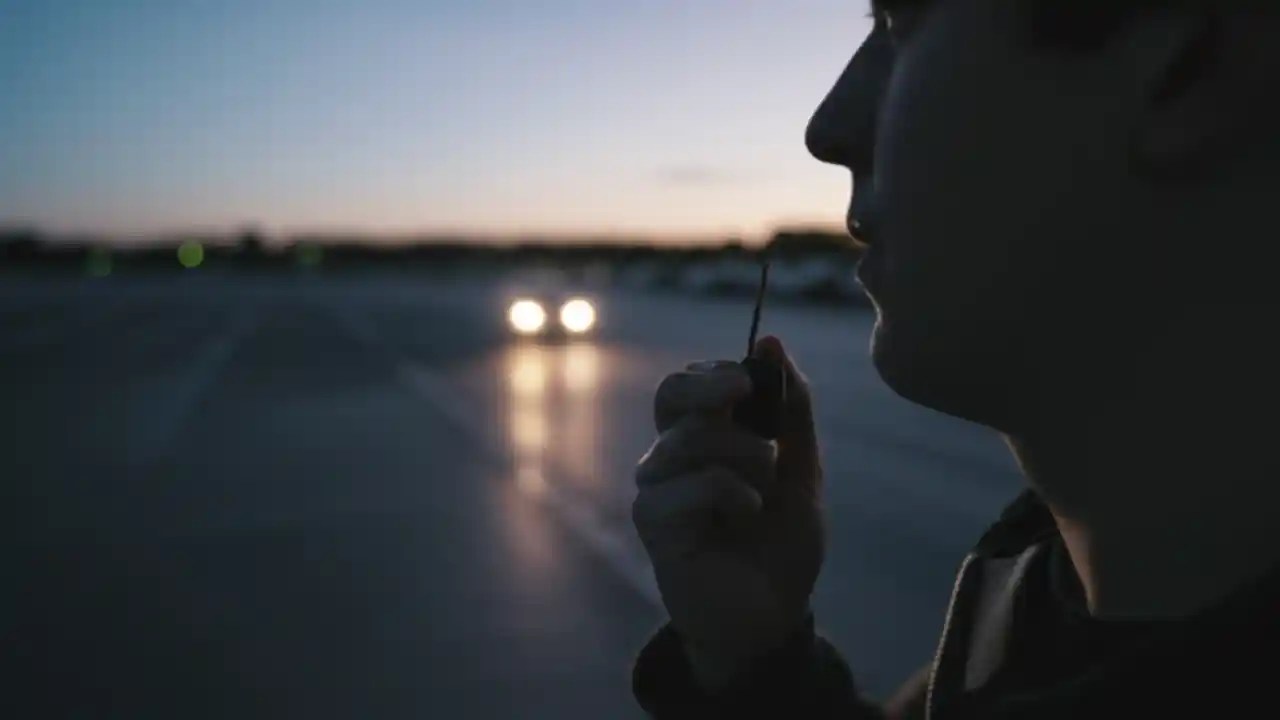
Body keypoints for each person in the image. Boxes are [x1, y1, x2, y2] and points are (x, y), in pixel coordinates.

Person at [630, 2, 1280, 717]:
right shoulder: (1023, 590)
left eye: (902, 21)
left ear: (1182, 62)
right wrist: (751, 662)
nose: (826, 128)